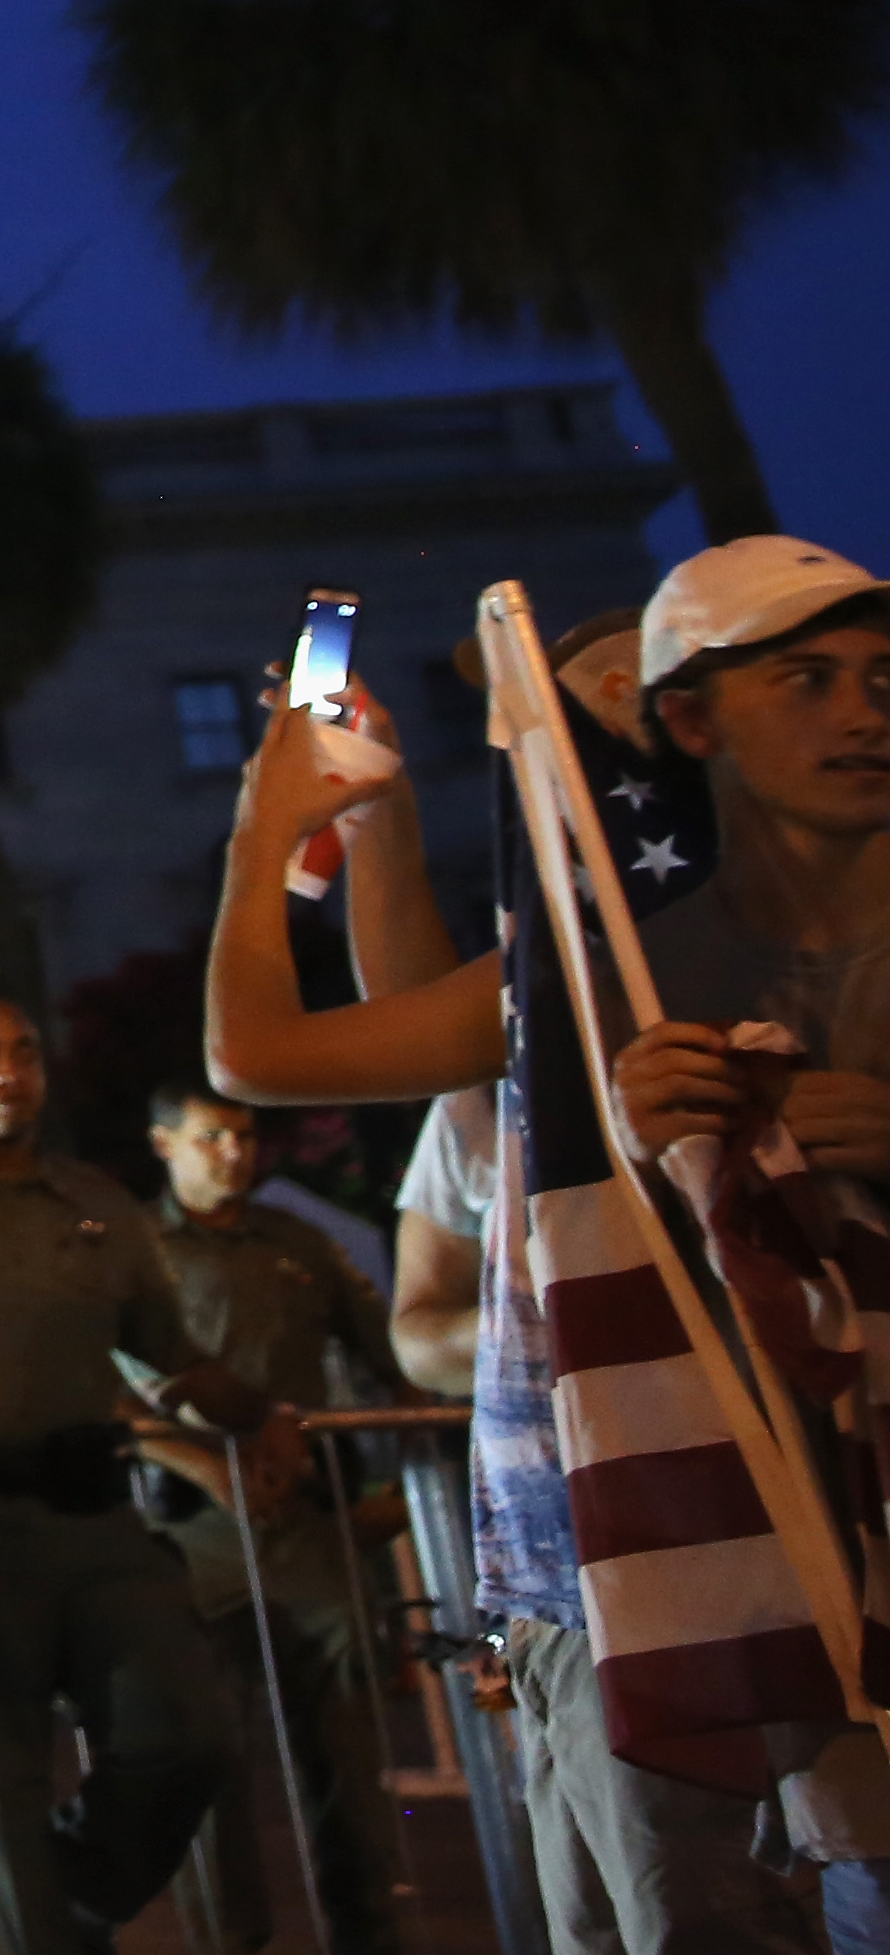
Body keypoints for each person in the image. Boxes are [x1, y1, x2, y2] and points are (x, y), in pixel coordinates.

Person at [206, 564, 876, 1955]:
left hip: (821, 1527)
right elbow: (327, 1042)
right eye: (555, 716)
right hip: (595, 1553)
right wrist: (328, 819)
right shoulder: (576, 972)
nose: (577, 742)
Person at [0, 993, 296, 1955]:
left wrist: (260, 1417)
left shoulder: (99, 1205)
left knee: (188, 1733)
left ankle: (71, 1896)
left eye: (25, 1052)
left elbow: (169, 1359)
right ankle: (28, 1920)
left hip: (92, 1523)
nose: (7, 1070)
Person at [137, 1080, 400, 1955]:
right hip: (188, 1532)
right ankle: (229, 1942)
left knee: (348, 1756)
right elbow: (109, 1386)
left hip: (307, 1524)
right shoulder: (133, 1248)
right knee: (207, 1756)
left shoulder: (298, 1243)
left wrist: (406, 1478)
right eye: (211, 1138)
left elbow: (388, 1356)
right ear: (164, 1144)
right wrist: (205, 1465)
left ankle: (371, 1935)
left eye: (245, 1137)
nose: (234, 1155)